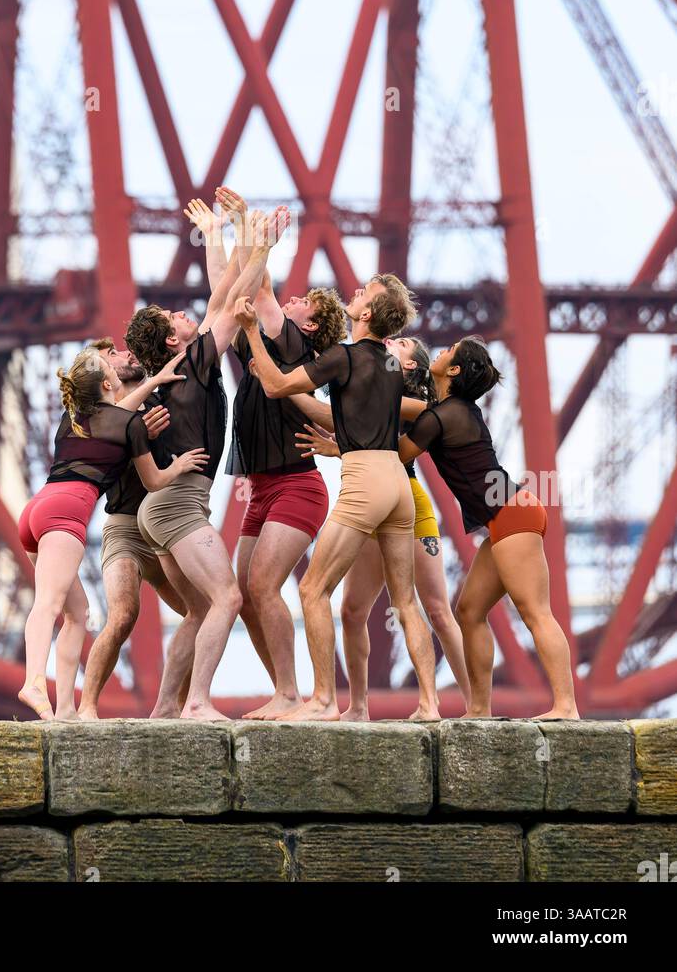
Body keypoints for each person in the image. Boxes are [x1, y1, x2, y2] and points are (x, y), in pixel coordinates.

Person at [235, 275, 439, 722]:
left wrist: (251, 330)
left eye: (363, 294)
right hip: (398, 484)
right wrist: (339, 441)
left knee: (313, 589)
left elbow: (273, 386)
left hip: (364, 482)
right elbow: (353, 415)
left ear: (366, 315)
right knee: (405, 601)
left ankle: (324, 699)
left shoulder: (343, 357)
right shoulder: (389, 363)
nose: (354, 294)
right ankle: (429, 704)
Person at [124, 206, 288, 721]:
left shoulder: (178, 366)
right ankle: (197, 702)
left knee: (198, 611)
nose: (185, 314)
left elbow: (222, 295)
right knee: (227, 598)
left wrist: (219, 235)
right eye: (176, 319)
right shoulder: (193, 361)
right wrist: (261, 244)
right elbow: (231, 298)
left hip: (165, 506)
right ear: (174, 340)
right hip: (179, 505)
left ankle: (166, 709)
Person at [210, 187, 347, 719]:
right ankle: (283, 690)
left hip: (297, 486)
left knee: (265, 584)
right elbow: (229, 289)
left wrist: (250, 225)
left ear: (309, 325)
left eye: (302, 303)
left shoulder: (292, 343)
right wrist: (221, 236)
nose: (293, 300)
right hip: (262, 489)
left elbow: (260, 284)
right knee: (245, 593)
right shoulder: (261, 342)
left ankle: (295, 694)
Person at [16, 347, 208, 722]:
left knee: (77, 613)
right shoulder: (129, 425)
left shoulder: (72, 417)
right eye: (109, 364)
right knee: (50, 603)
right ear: (108, 382)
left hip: (36, 510)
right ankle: (34, 681)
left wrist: (154, 379)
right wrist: (179, 466)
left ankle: (67, 711)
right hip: (66, 513)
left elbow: (118, 412)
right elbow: (153, 480)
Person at [397, 337, 579, 721]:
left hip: (514, 516)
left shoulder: (442, 417)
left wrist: (341, 444)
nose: (441, 351)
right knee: (469, 611)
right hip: (509, 518)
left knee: (535, 613)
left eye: (448, 351)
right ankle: (479, 709)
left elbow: (398, 455)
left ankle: (566, 706)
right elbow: (418, 417)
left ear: (455, 370)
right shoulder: (454, 411)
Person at [336, 336, 471, 719]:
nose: (390, 341)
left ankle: (472, 705)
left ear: (410, 366)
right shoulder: (372, 385)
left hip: (407, 499)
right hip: (366, 500)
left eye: (402, 342)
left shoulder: (409, 403)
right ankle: (358, 707)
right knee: (351, 610)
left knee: (438, 610)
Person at [75, 342, 192, 721]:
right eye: (114, 356)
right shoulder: (96, 413)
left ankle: (176, 707)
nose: (126, 355)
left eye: (126, 351)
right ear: (104, 376)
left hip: (163, 525)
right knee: (123, 614)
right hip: (125, 526)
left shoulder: (161, 399)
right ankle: (87, 709)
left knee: (202, 614)